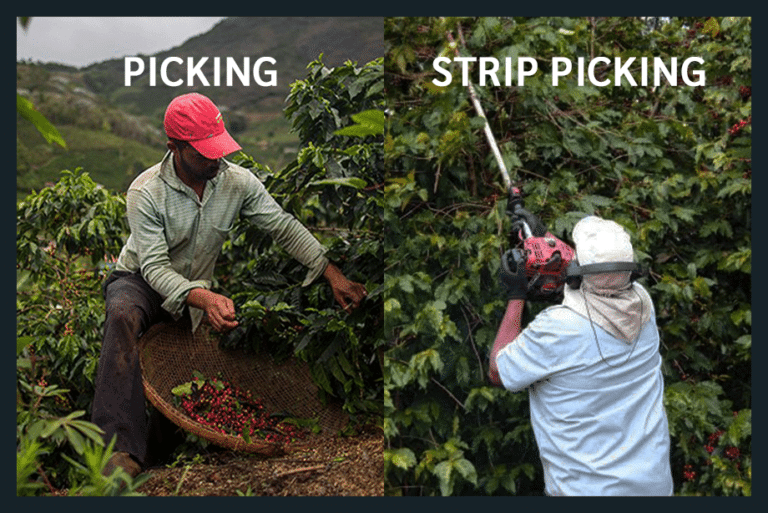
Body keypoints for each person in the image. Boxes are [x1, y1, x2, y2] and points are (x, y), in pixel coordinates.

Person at [93, 92, 368, 479]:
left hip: (193, 287)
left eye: (217, 149)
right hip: (140, 280)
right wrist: (204, 298)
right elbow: (154, 267)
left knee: (179, 375)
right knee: (123, 315)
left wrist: (331, 272)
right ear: (174, 147)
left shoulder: (236, 182)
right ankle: (117, 454)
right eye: (203, 153)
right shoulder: (146, 192)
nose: (215, 160)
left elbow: (282, 226)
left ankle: (154, 463)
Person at [488, 215, 673, 496]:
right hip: (653, 488)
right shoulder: (642, 304)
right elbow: (601, 273)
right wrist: (543, 238)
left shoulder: (560, 327)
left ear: (580, 271)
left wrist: (517, 293)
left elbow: (499, 371)